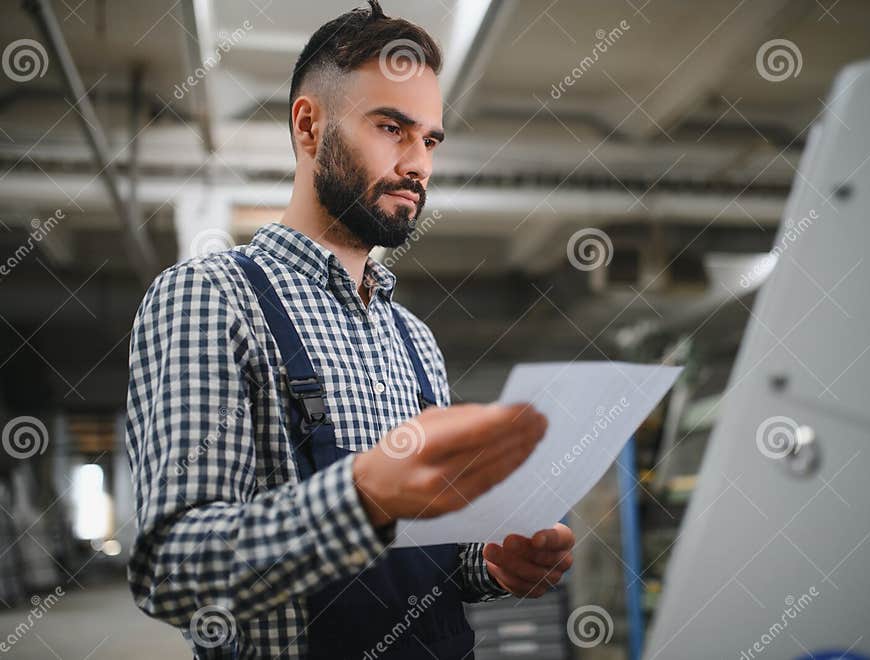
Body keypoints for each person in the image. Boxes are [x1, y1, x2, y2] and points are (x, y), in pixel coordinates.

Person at [124, 1, 575, 658]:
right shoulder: (212, 298)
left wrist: (491, 563)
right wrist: (361, 497)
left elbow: (427, 555)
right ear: (309, 126)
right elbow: (173, 571)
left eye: (430, 141)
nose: (418, 164)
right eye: (391, 128)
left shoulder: (413, 340)